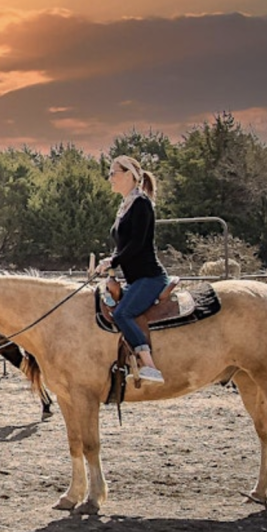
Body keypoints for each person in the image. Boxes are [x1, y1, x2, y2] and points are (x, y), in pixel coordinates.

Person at [95, 155, 168, 384]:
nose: (110, 178)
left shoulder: (141, 204)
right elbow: (124, 246)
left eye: (113, 173)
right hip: (136, 279)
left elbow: (137, 244)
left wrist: (113, 261)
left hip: (150, 277)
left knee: (122, 314)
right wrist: (111, 261)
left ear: (129, 175)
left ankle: (150, 366)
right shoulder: (126, 205)